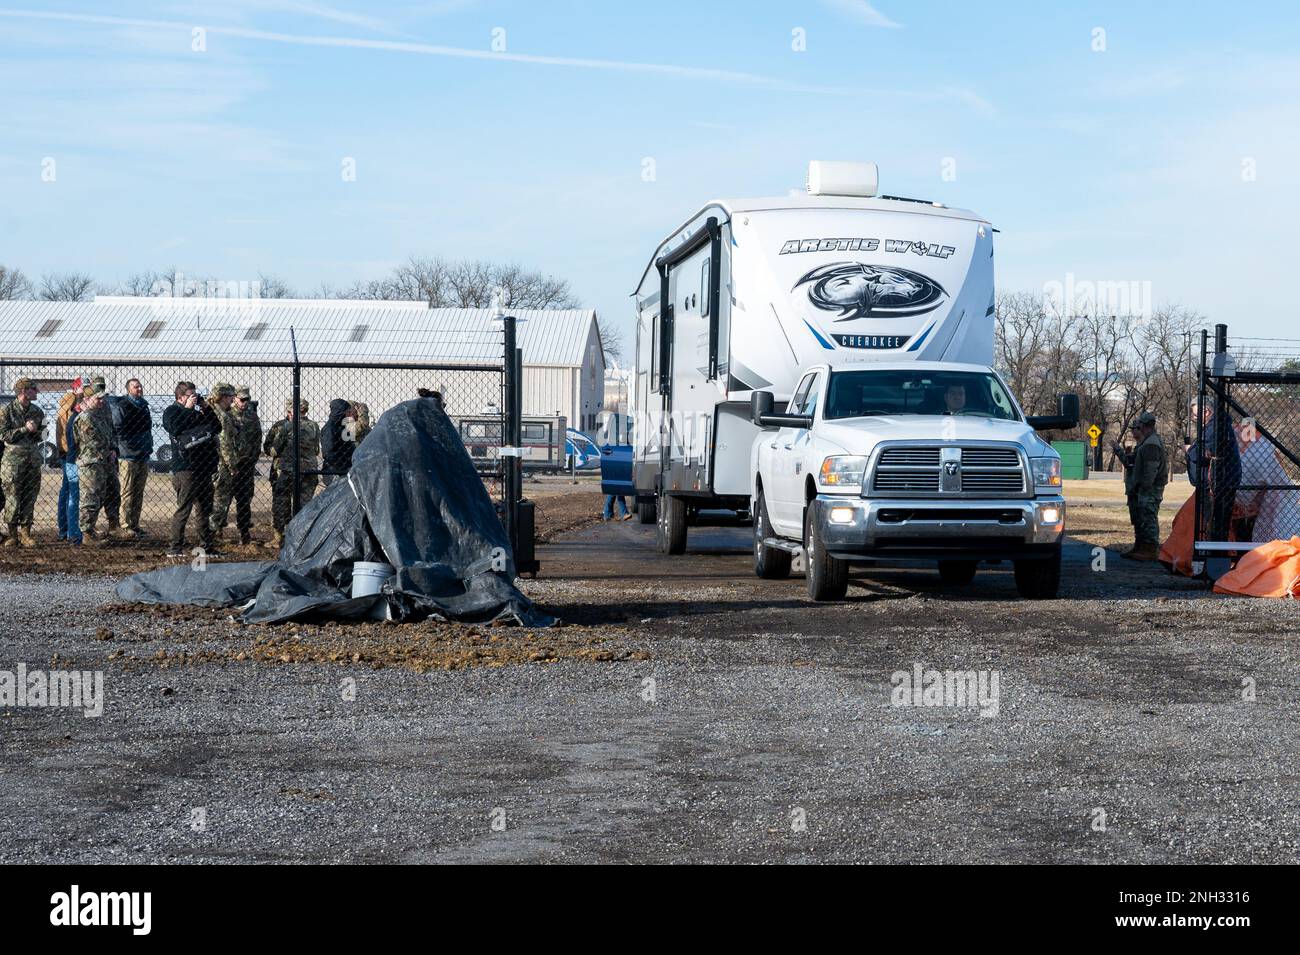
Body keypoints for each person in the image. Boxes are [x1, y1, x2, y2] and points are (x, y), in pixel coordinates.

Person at [162, 381, 222, 558]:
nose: (194, 399)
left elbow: (216, 427)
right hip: (186, 469)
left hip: (203, 468)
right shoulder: (172, 412)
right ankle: (175, 548)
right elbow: (174, 428)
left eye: (195, 395)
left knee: (205, 509)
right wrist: (187, 409)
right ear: (181, 397)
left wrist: (206, 407)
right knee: (184, 509)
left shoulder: (197, 413)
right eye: (190, 395)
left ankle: (206, 547)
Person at [263, 398, 320, 548]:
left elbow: (274, 449)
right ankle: (302, 538)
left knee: (281, 501)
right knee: (304, 504)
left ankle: (279, 537)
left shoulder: (286, 427)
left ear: (290, 411)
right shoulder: (314, 426)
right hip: (308, 470)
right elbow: (316, 450)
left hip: (288, 470)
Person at [210, 385, 262, 545]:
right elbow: (224, 441)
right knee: (223, 498)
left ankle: (244, 531)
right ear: (234, 400)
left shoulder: (252, 417)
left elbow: (257, 439)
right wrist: (232, 463)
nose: (245, 402)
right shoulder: (227, 416)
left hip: (245, 465)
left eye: (247, 399)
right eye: (241, 399)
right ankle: (217, 530)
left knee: (244, 499)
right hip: (230, 464)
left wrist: (253, 458)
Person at [1112, 411, 1167, 560]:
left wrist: (1144, 487)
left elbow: (1150, 469)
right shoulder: (1147, 442)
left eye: (1139, 425)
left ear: (1144, 426)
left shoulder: (1151, 444)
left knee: (1148, 517)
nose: (1137, 428)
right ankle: (1141, 547)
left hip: (1150, 488)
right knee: (1142, 517)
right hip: (1144, 487)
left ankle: (1150, 549)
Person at [1186, 401, 1241, 547]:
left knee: (1213, 524)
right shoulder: (1215, 426)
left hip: (1216, 485)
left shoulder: (1215, 428)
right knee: (1214, 524)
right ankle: (1212, 555)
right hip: (1218, 482)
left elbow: (1204, 453)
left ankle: (1212, 558)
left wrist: (1190, 450)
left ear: (1206, 412)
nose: (1194, 418)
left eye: (1196, 415)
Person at [1, 377, 44, 547]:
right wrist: (24, 429)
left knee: (29, 496)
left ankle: (26, 534)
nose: (36, 392)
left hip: (32, 460)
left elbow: (43, 434)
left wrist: (36, 431)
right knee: (12, 496)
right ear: (24, 392)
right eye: (33, 389)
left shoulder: (38, 412)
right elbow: (3, 435)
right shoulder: (6, 411)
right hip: (13, 460)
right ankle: (12, 535)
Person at [74, 388, 116, 547]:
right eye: (98, 398)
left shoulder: (98, 416)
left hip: (100, 461)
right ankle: (86, 533)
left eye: (102, 398)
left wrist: (111, 450)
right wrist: (105, 452)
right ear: (88, 399)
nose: (101, 401)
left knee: (99, 496)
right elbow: (91, 442)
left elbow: (108, 436)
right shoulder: (85, 418)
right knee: (90, 498)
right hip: (90, 463)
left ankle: (91, 530)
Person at [113, 377, 153, 538]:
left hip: (142, 455)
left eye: (140, 386)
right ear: (128, 389)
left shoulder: (143, 406)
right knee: (127, 492)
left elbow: (147, 428)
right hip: (128, 455)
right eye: (135, 387)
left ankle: (135, 524)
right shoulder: (123, 406)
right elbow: (118, 430)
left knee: (138, 492)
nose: (139, 389)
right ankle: (125, 524)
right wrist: (131, 444)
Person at [88, 376, 125, 536]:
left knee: (113, 490)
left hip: (109, 457)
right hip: (94, 459)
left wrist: (114, 449)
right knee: (94, 494)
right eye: (97, 387)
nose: (100, 390)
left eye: (102, 386)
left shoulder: (106, 407)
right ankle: (90, 527)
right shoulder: (86, 409)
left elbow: (112, 430)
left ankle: (114, 525)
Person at [207, 383, 239, 537]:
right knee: (220, 500)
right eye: (230, 396)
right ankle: (211, 534)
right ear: (223, 397)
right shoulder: (223, 416)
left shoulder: (209, 411)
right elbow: (225, 443)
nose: (233, 400)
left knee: (212, 498)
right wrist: (232, 466)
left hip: (209, 462)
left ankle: (210, 531)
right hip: (221, 464)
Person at [55, 387, 79, 541]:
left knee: (68, 491)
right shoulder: (66, 410)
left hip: (71, 454)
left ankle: (67, 528)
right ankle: (68, 530)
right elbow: (62, 435)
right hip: (69, 455)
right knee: (71, 492)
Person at [320, 398, 357, 486]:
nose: (349, 414)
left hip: (344, 470)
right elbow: (328, 453)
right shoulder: (330, 429)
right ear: (340, 412)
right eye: (347, 412)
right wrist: (342, 468)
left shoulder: (342, 427)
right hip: (334, 471)